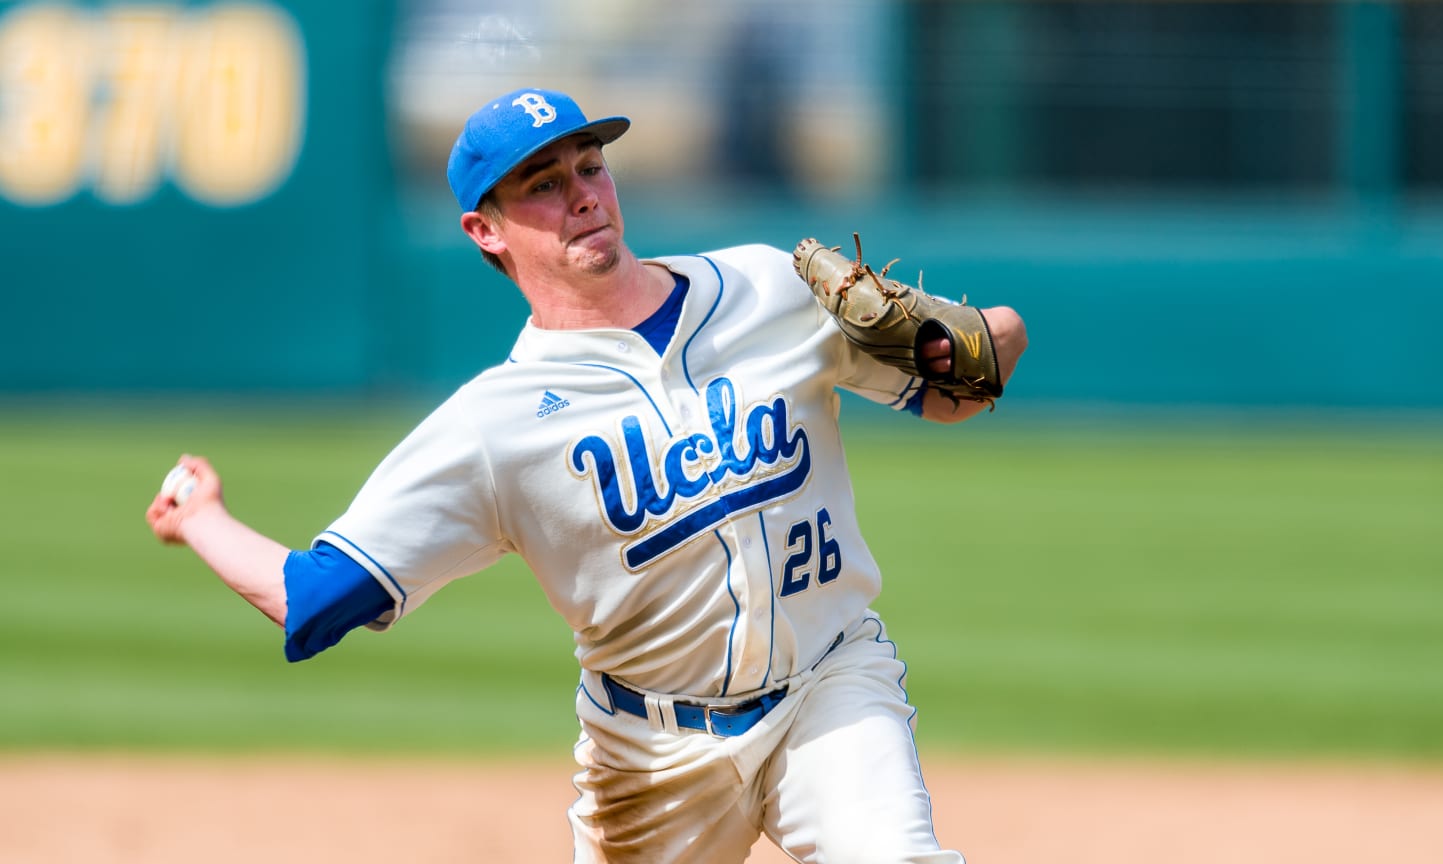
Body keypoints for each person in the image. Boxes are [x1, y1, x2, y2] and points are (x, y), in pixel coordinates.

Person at [146, 86, 1027, 863]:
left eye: (590, 166)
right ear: (484, 231)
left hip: (832, 689)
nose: (581, 197)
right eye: (544, 184)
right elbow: (316, 596)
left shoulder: (765, 288)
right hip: (652, 755)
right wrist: (200, 517)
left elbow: (966, 384)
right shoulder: (493, 426)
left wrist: (964, 341)